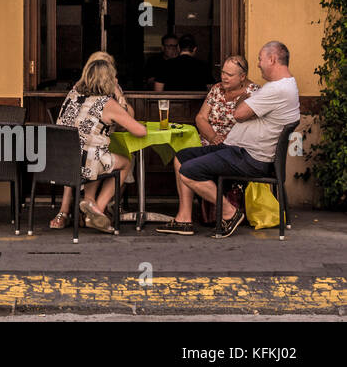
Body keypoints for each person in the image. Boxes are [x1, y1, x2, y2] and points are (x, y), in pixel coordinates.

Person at [157, 40, 301, 238]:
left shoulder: (275, 89)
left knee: (187, 171)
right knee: (182, 156)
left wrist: (244, 101)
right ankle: (184, 219)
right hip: (236, 148)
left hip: (248, 156)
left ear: (272, 59)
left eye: (260, 59)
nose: (258, 64)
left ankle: (229, 212)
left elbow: (239, 114)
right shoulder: (283, 86)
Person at [52, 53, 147, 234]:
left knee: (96, 155)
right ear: (110, 80)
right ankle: (98, 209)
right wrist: (119, 94)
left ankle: (89, 205)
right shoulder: (107, 103)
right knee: (125, 161)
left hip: (61, 162)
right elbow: (139, 131)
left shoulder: (73, 95)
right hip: (86, 163)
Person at [194, 54, 256, 223]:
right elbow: (200, 118)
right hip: (210, 141)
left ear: (242, 77)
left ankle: (224, 211)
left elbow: (250, 126)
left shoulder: (254, 93)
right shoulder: (217, 89)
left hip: (235, 146)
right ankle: (197, 215)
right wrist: (213, 137)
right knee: (184, 160)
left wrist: (225, 140)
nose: (223, 77)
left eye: (229, 75)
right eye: (222, 73)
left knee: (200, 163)